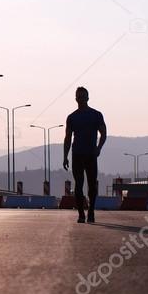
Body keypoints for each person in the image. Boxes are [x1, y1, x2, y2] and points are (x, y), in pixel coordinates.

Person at [62, 86, 107, 223]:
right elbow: (68, 138)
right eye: (79, 97)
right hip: (77, 155)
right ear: (76, 99)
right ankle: (81, 214)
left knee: (92, 185)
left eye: (83, 96)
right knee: (79, 185)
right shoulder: (72, 117)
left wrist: (98, 148)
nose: (81, 99)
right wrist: (65, 156)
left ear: (88, 98)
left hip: (91, 155)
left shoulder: (96, 115)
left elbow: (103, 133)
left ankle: (91, 212)